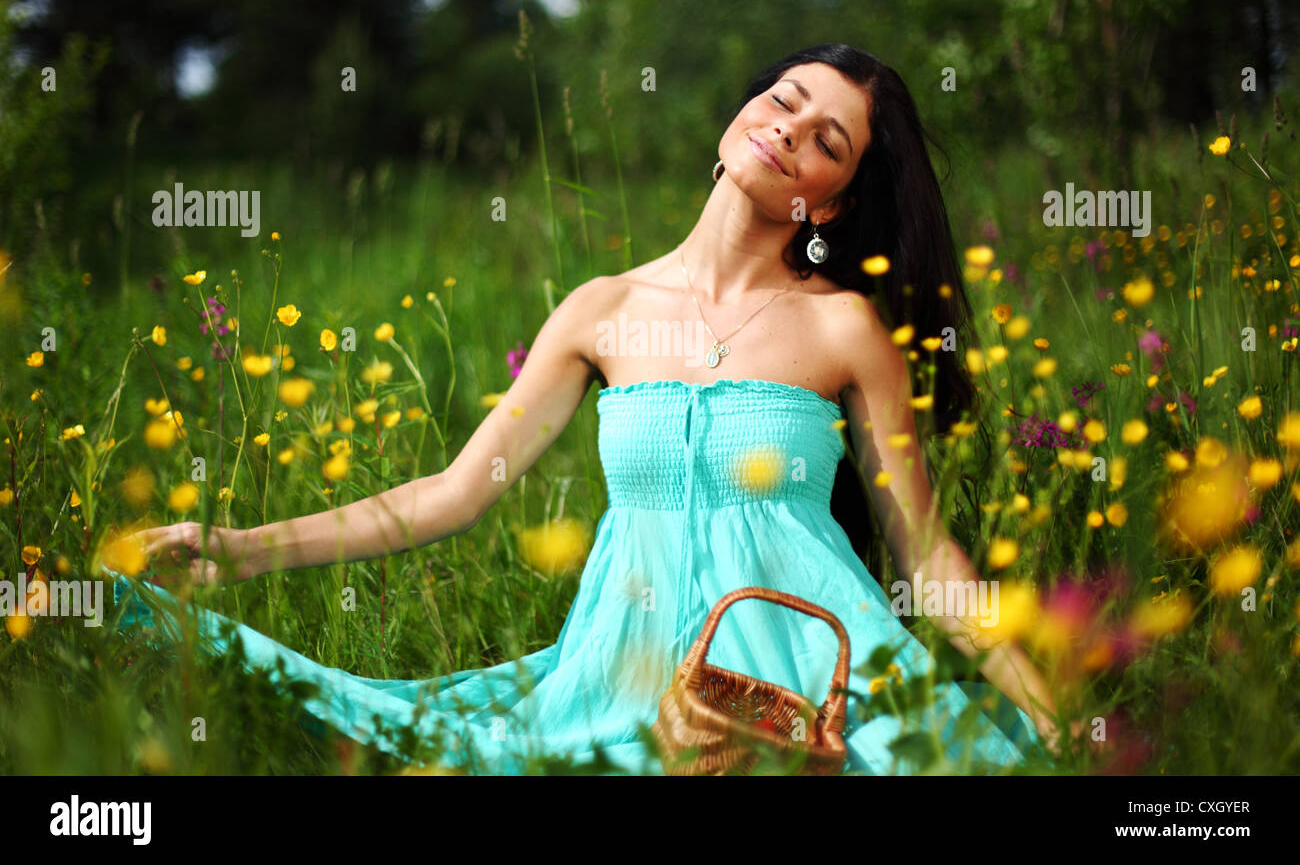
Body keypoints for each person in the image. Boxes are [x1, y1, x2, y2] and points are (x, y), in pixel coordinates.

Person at [114, 43, 1074, 775]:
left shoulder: (843, 331)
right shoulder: (602, 309)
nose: (790, 128)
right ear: (742, 115)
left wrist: (1044, 702)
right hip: (628, 674)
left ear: (828, 202)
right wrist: (241, 547)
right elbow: (454, 494)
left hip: (811, 685)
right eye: (785, 99)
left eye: (829, 140)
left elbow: (925, 555)